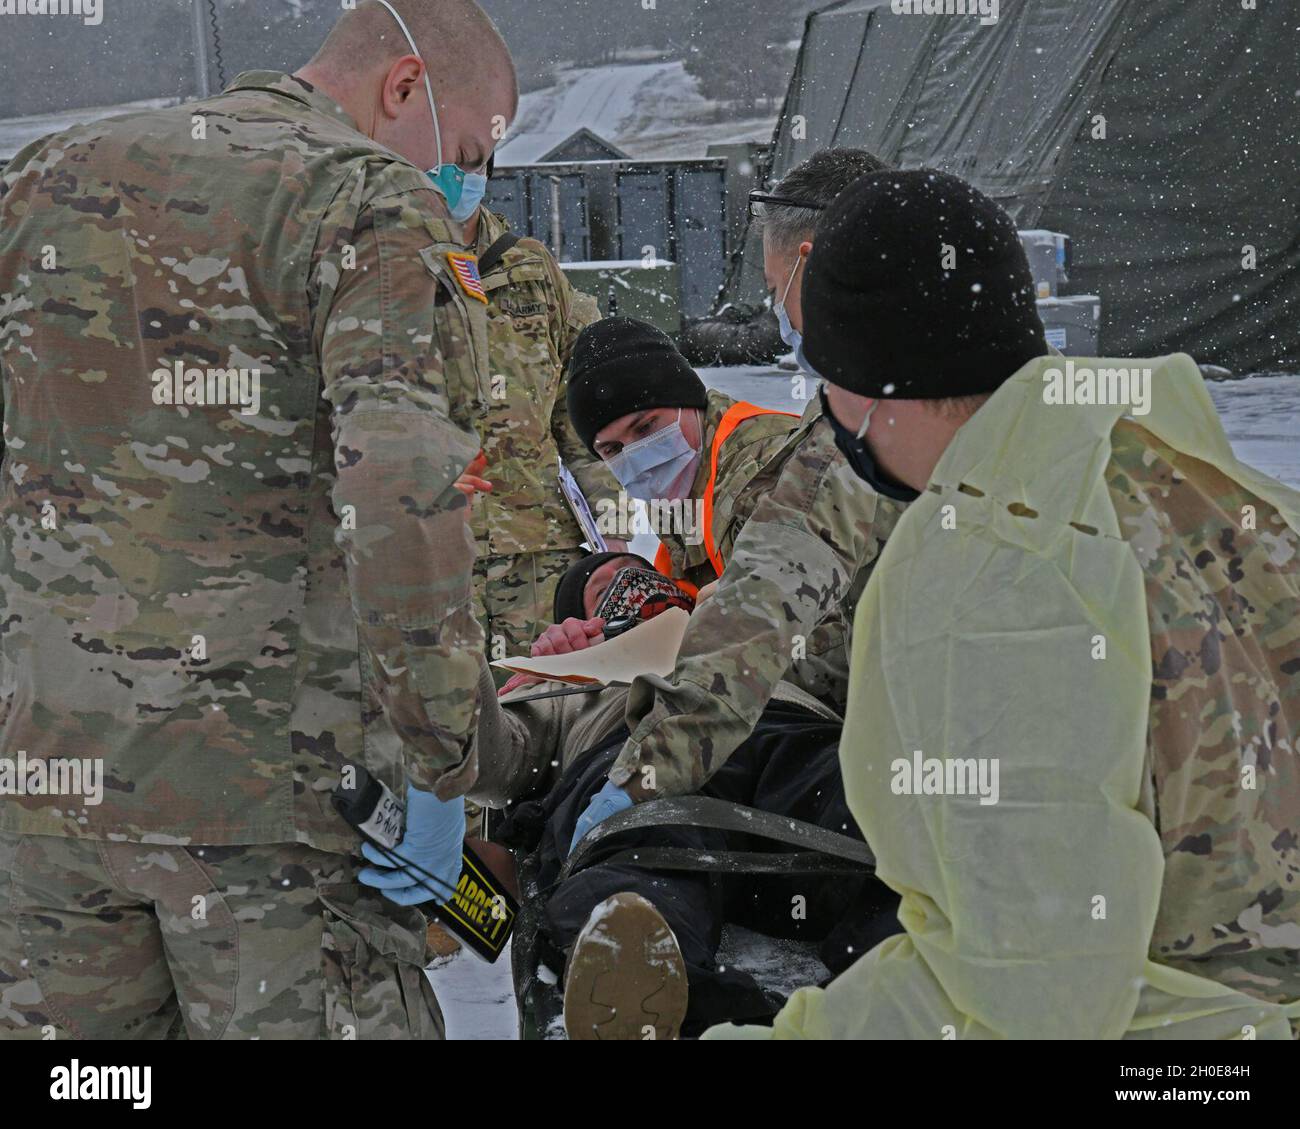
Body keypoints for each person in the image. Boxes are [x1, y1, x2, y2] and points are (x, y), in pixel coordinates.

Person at [0, 0, 516, 1040]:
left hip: (43, 795)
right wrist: (440, 755)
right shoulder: (364, 203)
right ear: (404, 88)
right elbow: (401, 490)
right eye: (465, 153)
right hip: (267, 810)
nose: (462, 190)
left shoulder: (40, 178)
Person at [709, 169, 1300, 1040]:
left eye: (824, 375)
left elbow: (1031, 993)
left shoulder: (991, 570)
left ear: (871, 385)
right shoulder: (1185, 474)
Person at [457, 187, 625, 661]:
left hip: (541, 558)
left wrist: (616, 536)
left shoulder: (531, 269)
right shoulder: (381, 266)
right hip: (433, 557)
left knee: (549, 707)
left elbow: (583, 427)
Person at [566, 317, 800, 596]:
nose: (638, 460)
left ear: (686, 401)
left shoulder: (770, 463)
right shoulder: (677, 481)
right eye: (613, 450)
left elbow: (778, 614)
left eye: (645, 427)